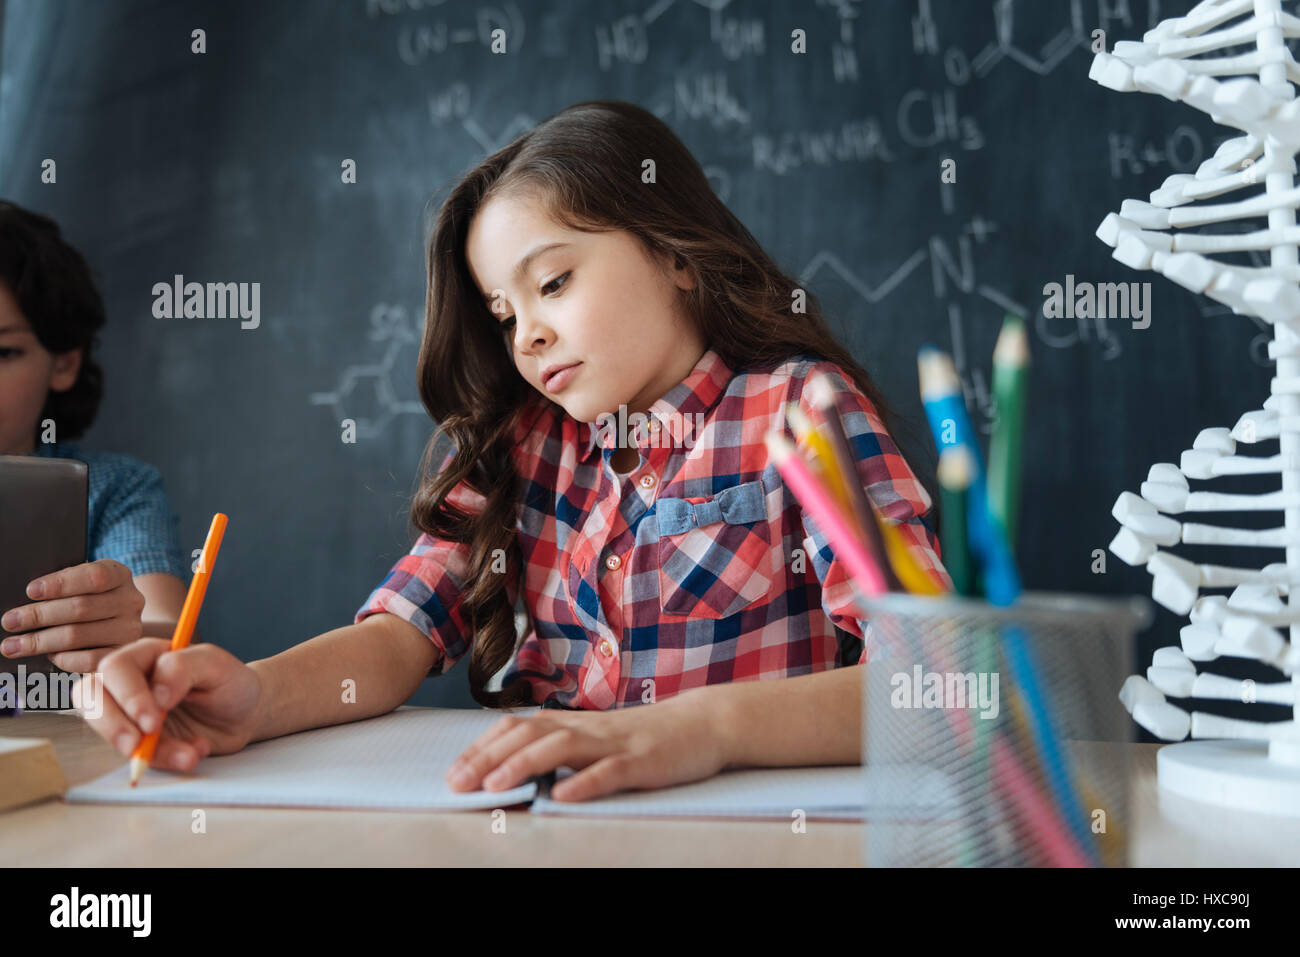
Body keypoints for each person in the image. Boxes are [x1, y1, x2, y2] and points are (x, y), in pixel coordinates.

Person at [77, 101, 951, 799]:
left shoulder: (801, 408)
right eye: (504, 314)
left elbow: (930, 687)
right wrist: (253, 698)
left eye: (554, 282)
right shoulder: (523, 444)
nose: (527, 336)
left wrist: (700, 729)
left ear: (676, 254)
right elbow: (397, 637)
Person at [0, 201, 191, 677]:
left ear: (64, 362)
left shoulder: (114, 488)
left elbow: (169, 634)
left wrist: (127, 636)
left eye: (3, 351)